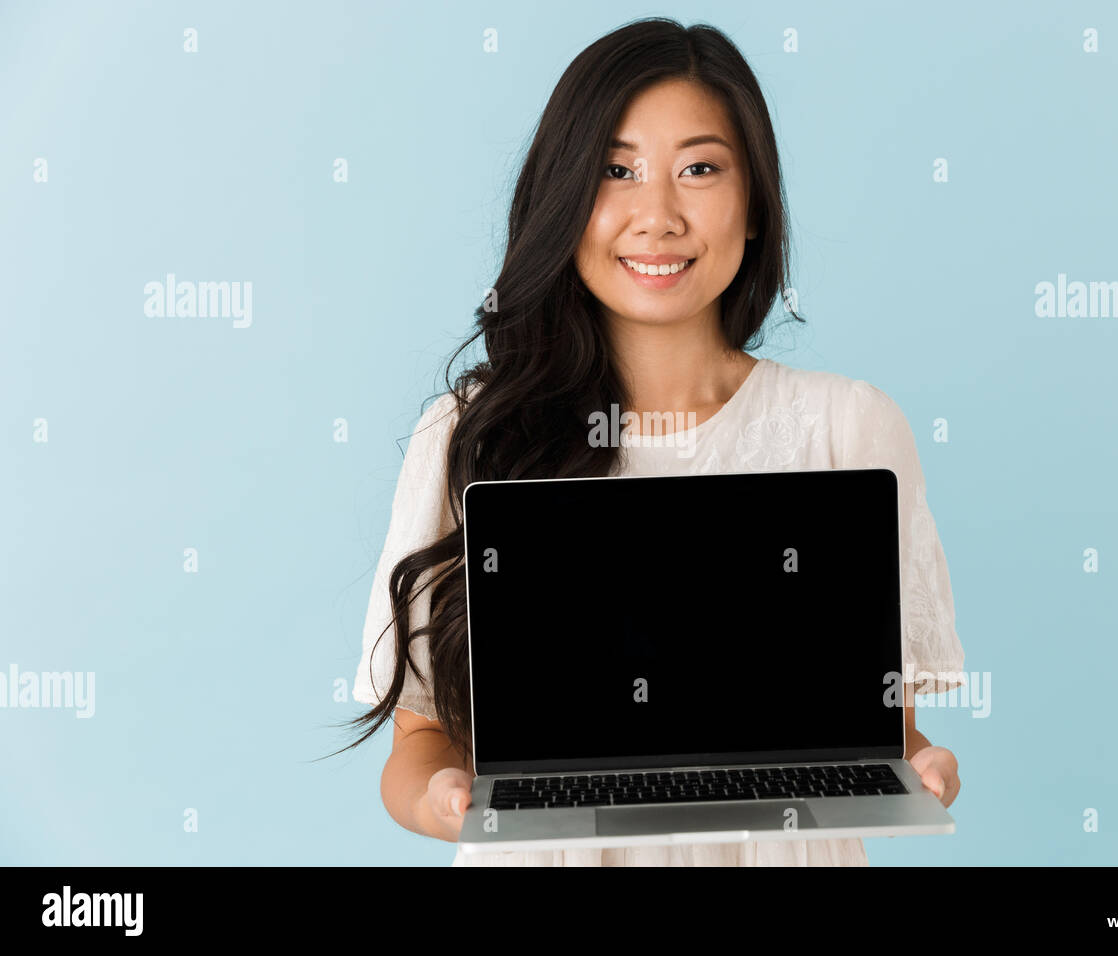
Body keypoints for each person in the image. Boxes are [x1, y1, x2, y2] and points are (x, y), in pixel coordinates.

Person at [339, 17, 964, 866]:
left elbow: (880, 727)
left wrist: (913, 763)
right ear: (563, 200)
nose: (658, 215)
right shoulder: (472, 434)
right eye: (616, 170)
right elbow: (417, 744)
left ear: (754, 208)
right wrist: (451, 801)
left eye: (700, 169)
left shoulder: (849, 428)